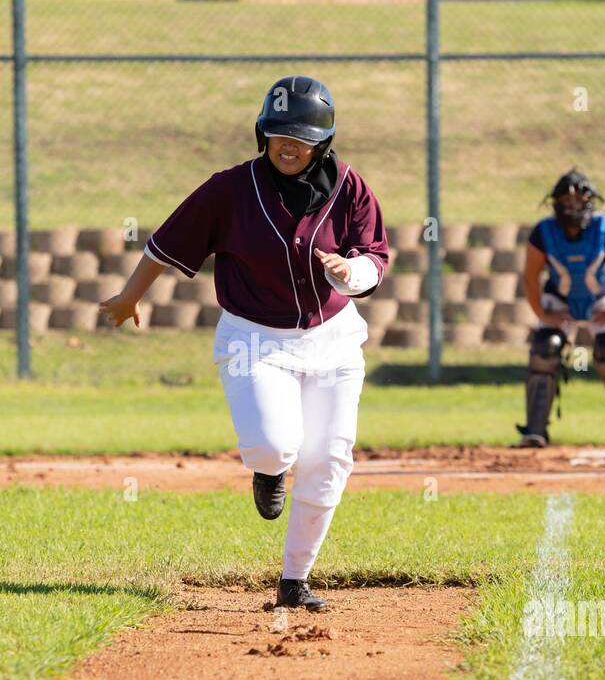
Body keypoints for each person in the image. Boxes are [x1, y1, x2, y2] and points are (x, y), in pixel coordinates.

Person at [100, 76, 390, 612]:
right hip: (256, 340)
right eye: (279, 132)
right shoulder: (231, 189)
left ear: (323, 141)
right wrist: (127, 296)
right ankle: (269, 470)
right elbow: (166, 245)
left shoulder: (350, 186)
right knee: (274, 445)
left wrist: (350, 271)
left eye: (302, 136)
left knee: (328, 459)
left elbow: (374, 258)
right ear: (262, 132)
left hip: (333, 339)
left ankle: (294, 581)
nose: (289, 144)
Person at [516, 169, 605, 449]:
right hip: (560, 298)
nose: (572, 207)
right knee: (545, 346)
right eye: (566, 200)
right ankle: (535, 431)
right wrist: (542, 314)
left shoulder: (604, 227)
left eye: (578, 200)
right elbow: (530, 276)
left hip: (601, 297)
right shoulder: (544, 231)